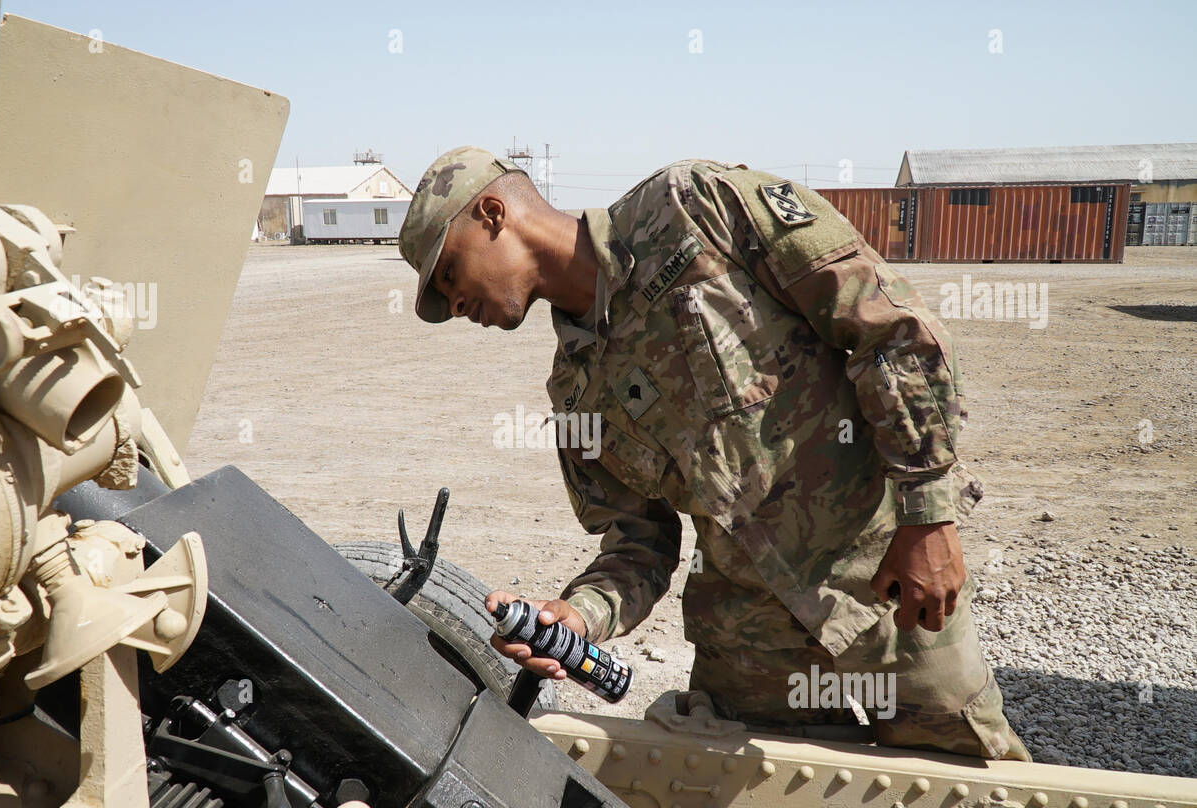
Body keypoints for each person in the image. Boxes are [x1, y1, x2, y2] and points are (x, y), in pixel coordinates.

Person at [398, 146, 1029, 760]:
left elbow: (887, 330)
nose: (454, 306)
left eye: (449, 273)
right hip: (748, 651)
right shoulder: (574, 394)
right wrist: (576, 618)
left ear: (491, 214)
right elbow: (636, 547)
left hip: (889, 587)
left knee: (965, 802)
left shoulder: (692, 207)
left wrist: (928, 517)